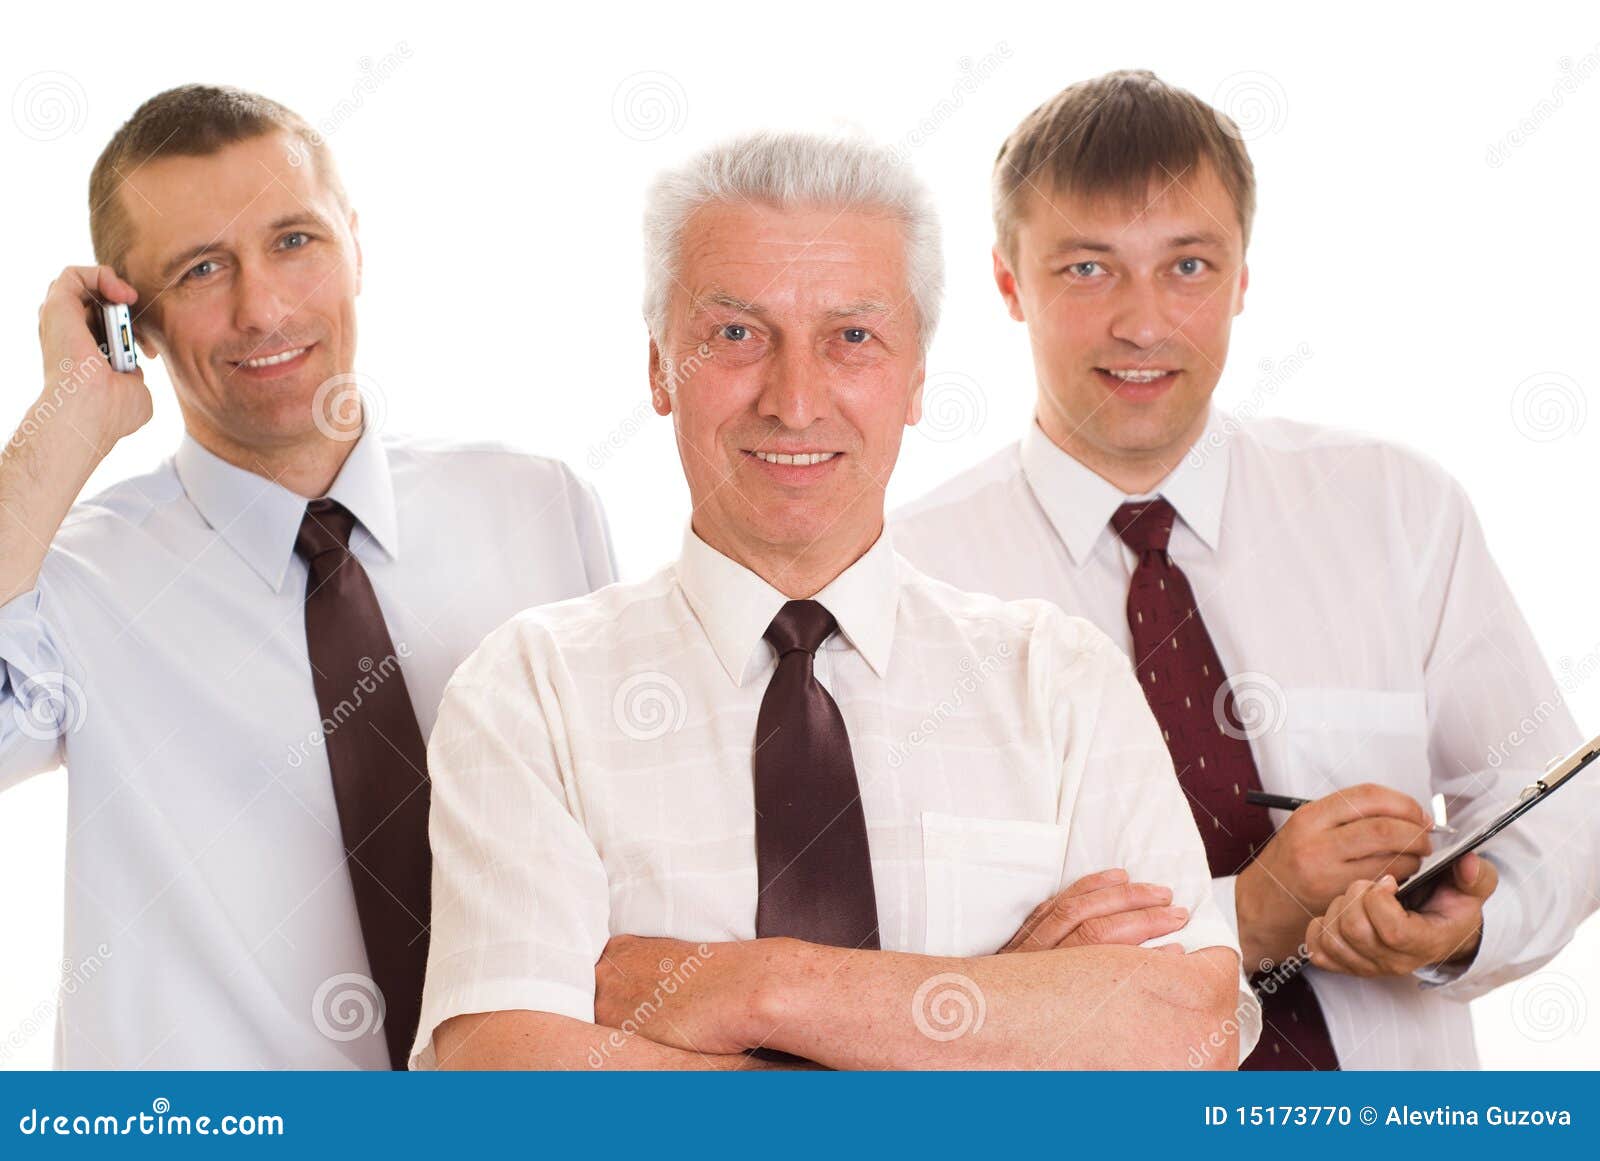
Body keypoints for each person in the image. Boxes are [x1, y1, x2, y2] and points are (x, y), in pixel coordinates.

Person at [412, 131, 1255, 1071]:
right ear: (658, 366)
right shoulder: (531, 691)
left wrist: (756, 988)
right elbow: (505, 1080)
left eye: (852, 337)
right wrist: (1008, 1014)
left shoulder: (1057, 679)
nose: (796, 399)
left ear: (917, 377)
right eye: (736, 335)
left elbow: (1184, 1032)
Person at [892, 69, 1599, 1068]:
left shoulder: (1395, 508)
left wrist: (1465, 926)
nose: (1142, 323)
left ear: (1241, 279)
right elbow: (910, 967)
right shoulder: (905, 579)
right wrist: (1250, 912)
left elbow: (1555, 809)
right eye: (1087, 270)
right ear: (1008, 282)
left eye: (1187, 266)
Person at [0, 85, 615, 1068]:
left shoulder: (536, 504)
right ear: (134, 318)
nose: (263, 308)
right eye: (201, 269)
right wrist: (61, 423)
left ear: (355, 247)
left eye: (294, 242)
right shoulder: (70, 581)